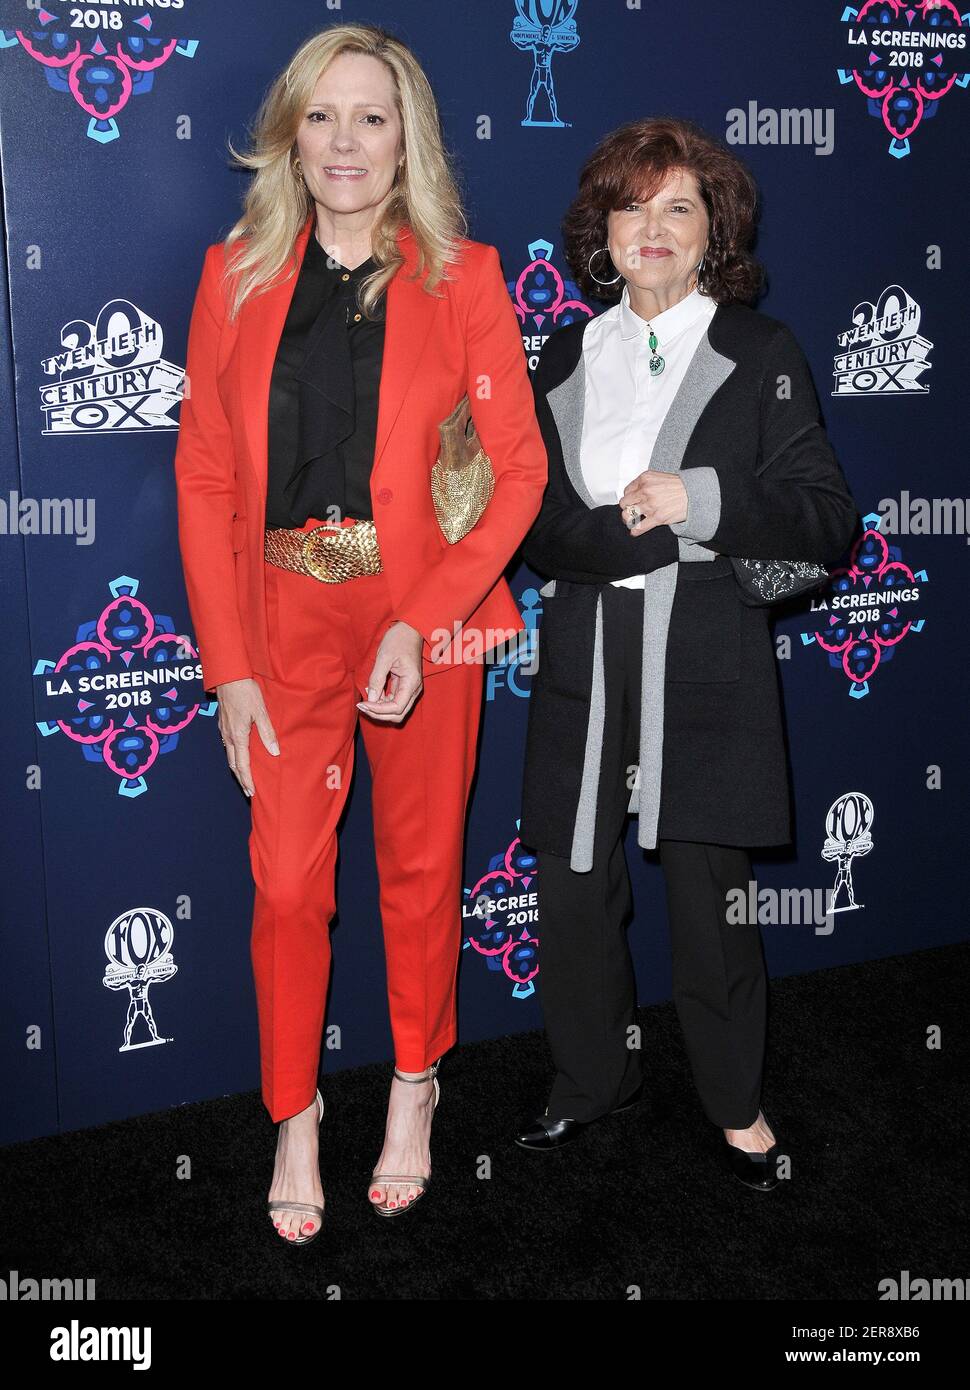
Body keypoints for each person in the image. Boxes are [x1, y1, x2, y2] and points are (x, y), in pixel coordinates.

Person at [174, 22, 546, 1241]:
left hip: (424, 620)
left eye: (372, 118)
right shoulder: (231, 275)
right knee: (286, 885)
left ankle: (414, 1087)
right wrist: (227, 669)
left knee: (422, 869)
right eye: (322, 116)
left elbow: (518, 472)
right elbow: (208, 479)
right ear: (290, 131)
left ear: (408, 141)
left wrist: (426, 616)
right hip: (283, 617)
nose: (345, 141)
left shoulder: (466, 275)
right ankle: (295, 1112)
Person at [514, 117, 857, 1190]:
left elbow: (823, 518)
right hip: (581, 650)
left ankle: (735, 1107)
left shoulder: (761, 351)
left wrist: (699, 498)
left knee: (711, 902)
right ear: (599, 228)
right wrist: (632, 530)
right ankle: (588, 1084)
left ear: (713, 229)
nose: (650, 228)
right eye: (630, 205)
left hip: (704, 652)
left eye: (677, 207)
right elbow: (531, 519)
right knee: (572, 891)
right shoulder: (567, 349)